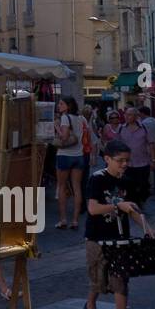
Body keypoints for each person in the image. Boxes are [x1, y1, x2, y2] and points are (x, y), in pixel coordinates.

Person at [83, 138, 155, 309]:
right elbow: (92, 209)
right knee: (98, 280)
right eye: (120, 161)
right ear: (107, 159)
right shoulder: (97, 179)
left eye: (127, 160)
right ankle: (90, 306)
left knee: (120, 281)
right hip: (97, 237)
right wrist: (118, 206)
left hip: (120, 239)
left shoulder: (126, 181)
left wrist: (149, 229)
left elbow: (132, 208)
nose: (124, 164)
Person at [53, 97, 85, 230]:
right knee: (77, 188)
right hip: (79, 155)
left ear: (69, 105)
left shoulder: (65, 118)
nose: (59, 106)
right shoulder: (80, 118)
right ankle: (75, 220)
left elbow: (64, 137)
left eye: (61, 104)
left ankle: (63, 220)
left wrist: (56, 127)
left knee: (61, 187)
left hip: (65, 155)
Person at [114, 106, 153, 208]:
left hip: (142, 162)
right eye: (126, 114)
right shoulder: (121, 128)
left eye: (129, 114)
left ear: (136, 116)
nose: (126, 116)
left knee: (144, 185)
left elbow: (151, 144)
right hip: (126, 164)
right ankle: (133, 204)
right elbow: (117, 145)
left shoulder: (144, 128)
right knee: (128, 185)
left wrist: (153, 160)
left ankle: (141, 199)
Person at [139, 104, 155, 195]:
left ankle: (152, 187)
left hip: (151, 148)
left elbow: (151, 139)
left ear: (143, 113)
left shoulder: (147, 123)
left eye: (139, 113)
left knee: (151, 168)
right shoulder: (154, 121)